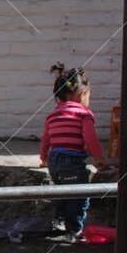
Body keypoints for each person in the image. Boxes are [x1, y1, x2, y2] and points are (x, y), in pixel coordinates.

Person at [41, 63, 106, 241]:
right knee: (78, 195)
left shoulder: (52, 115)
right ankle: (74, 230)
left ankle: (58, 221)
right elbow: (90, 138)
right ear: (82, 94)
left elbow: (46, 139)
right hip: (72, 161)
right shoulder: (83, 114)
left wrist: (43, 158)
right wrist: (99, 158)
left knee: (60, 192)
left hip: (54, 161)